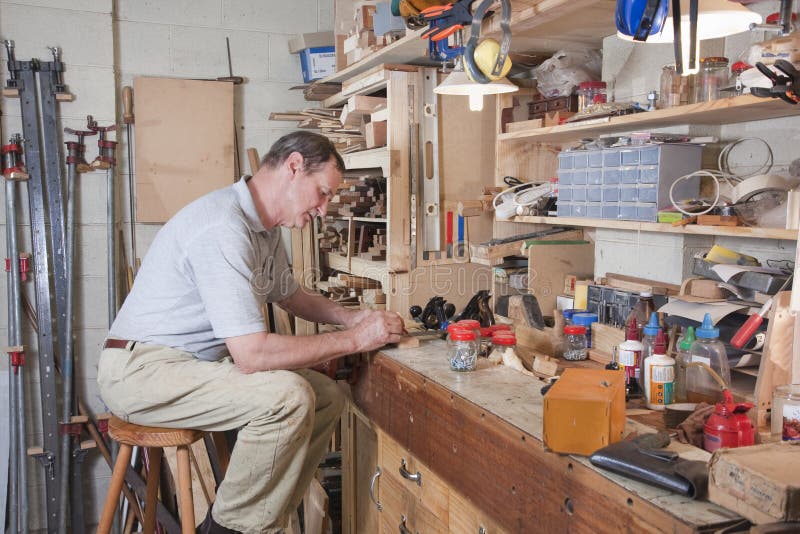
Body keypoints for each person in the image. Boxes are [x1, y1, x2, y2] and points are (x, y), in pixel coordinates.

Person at [97, 131, 405, 533]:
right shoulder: (223, 226)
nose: (324, 208)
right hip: (139, 371)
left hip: (186, 366)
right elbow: (252, 355)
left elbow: (290, 296)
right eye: (323, 193)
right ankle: (228, 529)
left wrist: (353, 319)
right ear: (294, 167)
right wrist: (354, 340)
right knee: (287, 397)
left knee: (327, 396)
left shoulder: (263, 229)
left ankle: (264, 522)